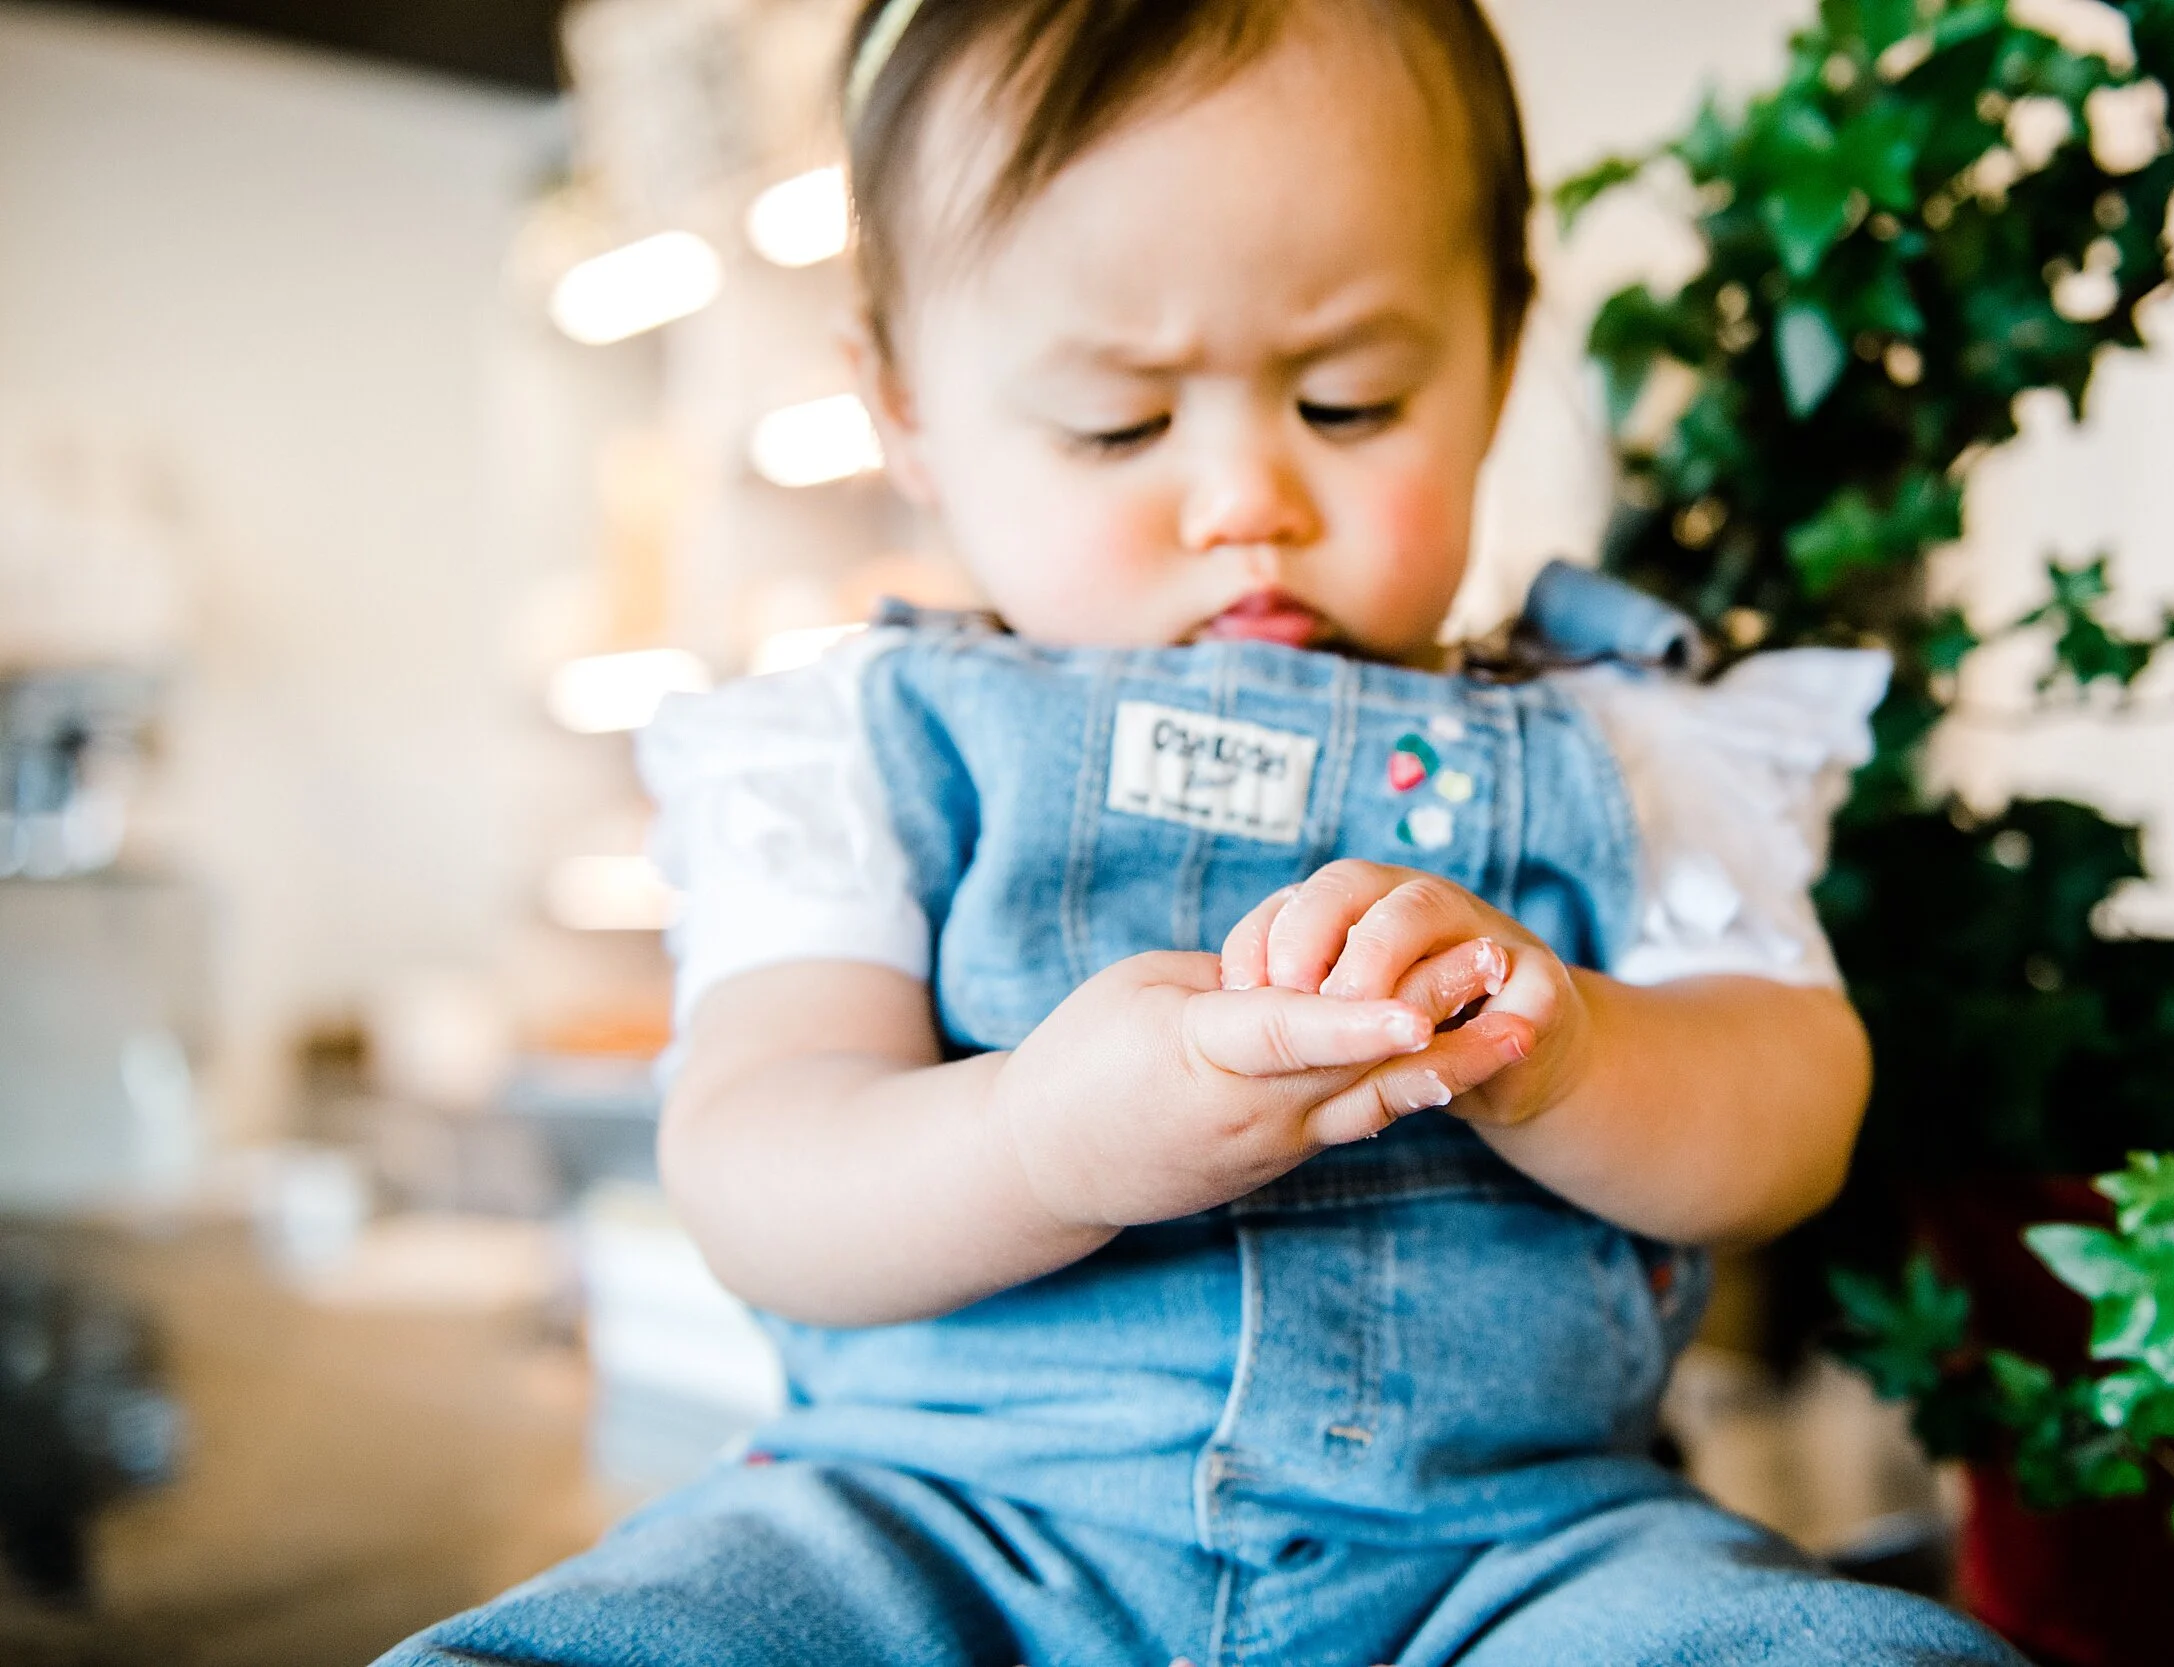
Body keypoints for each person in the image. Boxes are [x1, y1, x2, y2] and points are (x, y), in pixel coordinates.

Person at [381, 1, 2026, 1662]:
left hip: (1519, 1559)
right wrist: (1039, 1139)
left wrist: (1577, 1047)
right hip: (934, 1534)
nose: (1247, 493)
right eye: (1118, 424)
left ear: (1499, 351)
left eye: (1353, 400)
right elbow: (755, 1163)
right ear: (908, 415)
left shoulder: (1629, 748)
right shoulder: (856, 752)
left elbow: (1792, 1113)